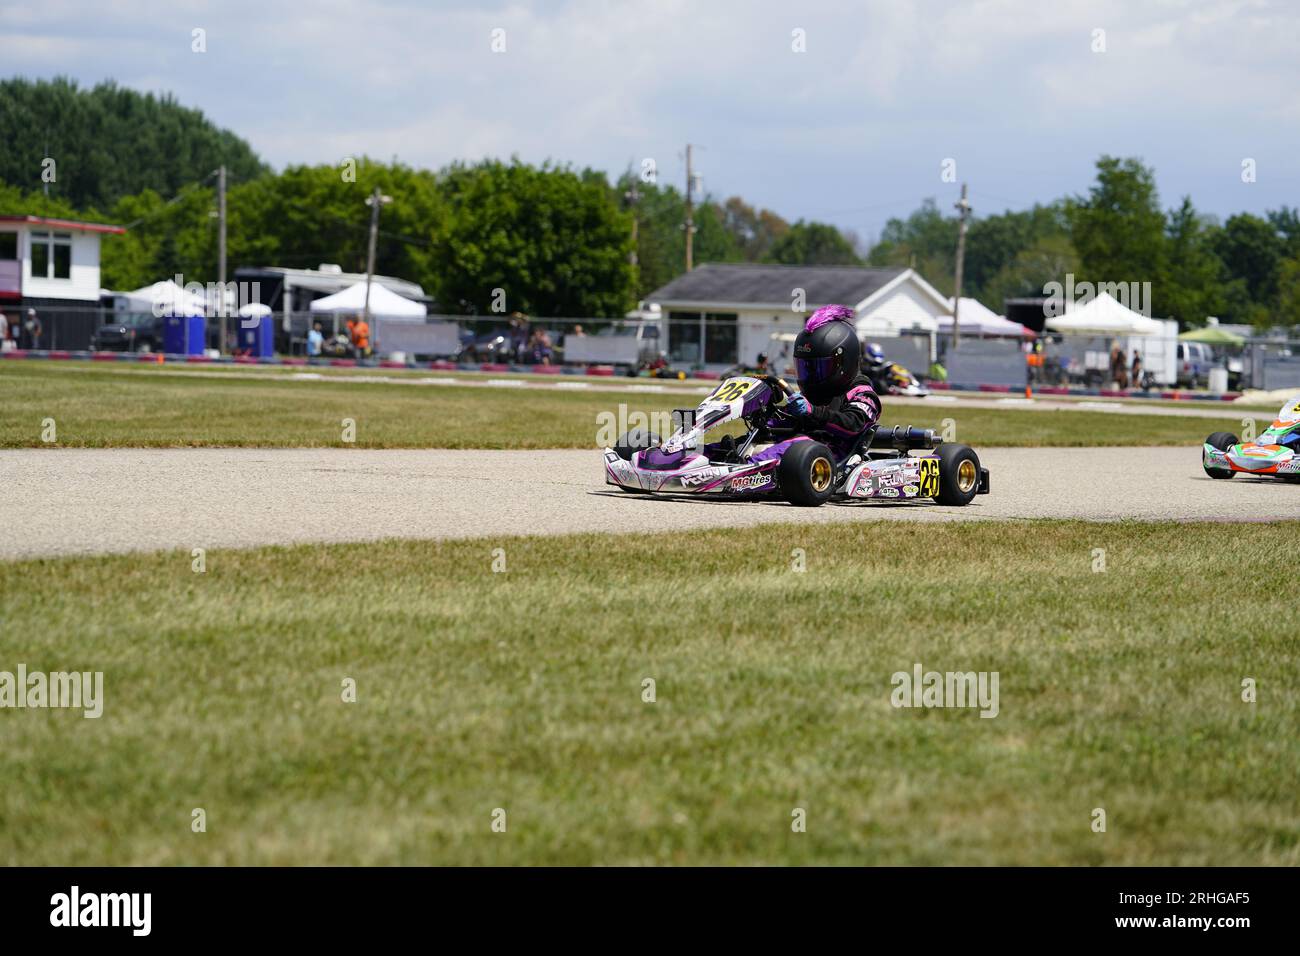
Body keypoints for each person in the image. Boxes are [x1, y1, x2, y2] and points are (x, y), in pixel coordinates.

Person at [776, 305, 881, 458]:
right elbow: (784, 424)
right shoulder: (813, 395)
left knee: (790, 447)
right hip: (801, 455)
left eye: (818, 367)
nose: (811, 375)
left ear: (843, 363)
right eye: (806, 367)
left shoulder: (862, 393)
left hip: (833, 460)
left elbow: (854, 424)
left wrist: (813, 412)